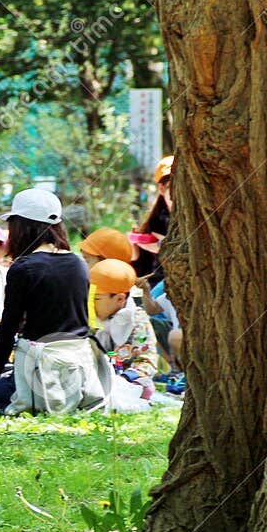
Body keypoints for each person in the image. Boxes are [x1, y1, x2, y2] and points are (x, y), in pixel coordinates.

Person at [0, 189, 103, 416]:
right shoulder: (78, 263)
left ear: (22, 227)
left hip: (39, 370)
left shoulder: (24, 268)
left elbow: (8, 328)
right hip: (78, 373)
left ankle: (32, 405)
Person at [90, 258, 159, 375]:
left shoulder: (136, 320)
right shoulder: (87, 317)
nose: (91, 303)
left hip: (124, 382)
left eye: (96, 298)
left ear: (120, 299)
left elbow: (147, 359)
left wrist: (129, 378)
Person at [134, 155, 173, 285]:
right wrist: (135, 254)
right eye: (172, 187)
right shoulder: (156, 221)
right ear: (162, 189)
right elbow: (142, 271)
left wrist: (162, 247)